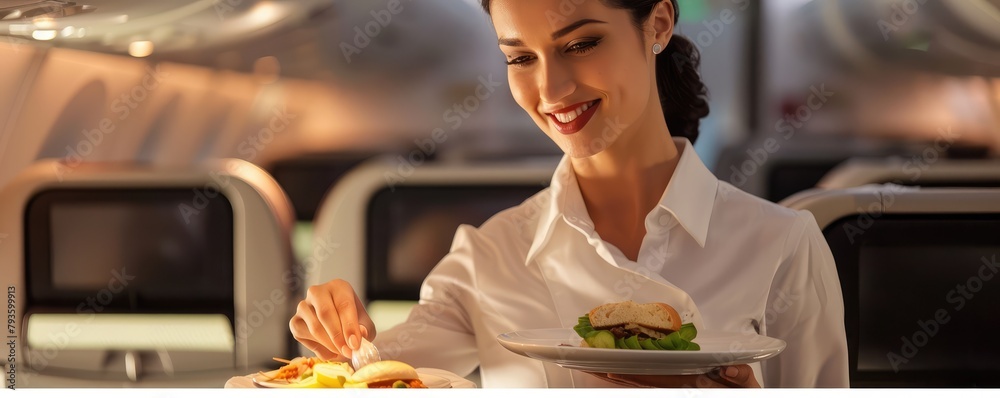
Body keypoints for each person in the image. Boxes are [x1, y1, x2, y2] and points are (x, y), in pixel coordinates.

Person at [289, 0, 849, 388]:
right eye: (520, 58)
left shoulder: (783, 245)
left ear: (657, 24)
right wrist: (340, 334)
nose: (551, 90)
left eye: (581, 43)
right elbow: (376, 369)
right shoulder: (489, 257)